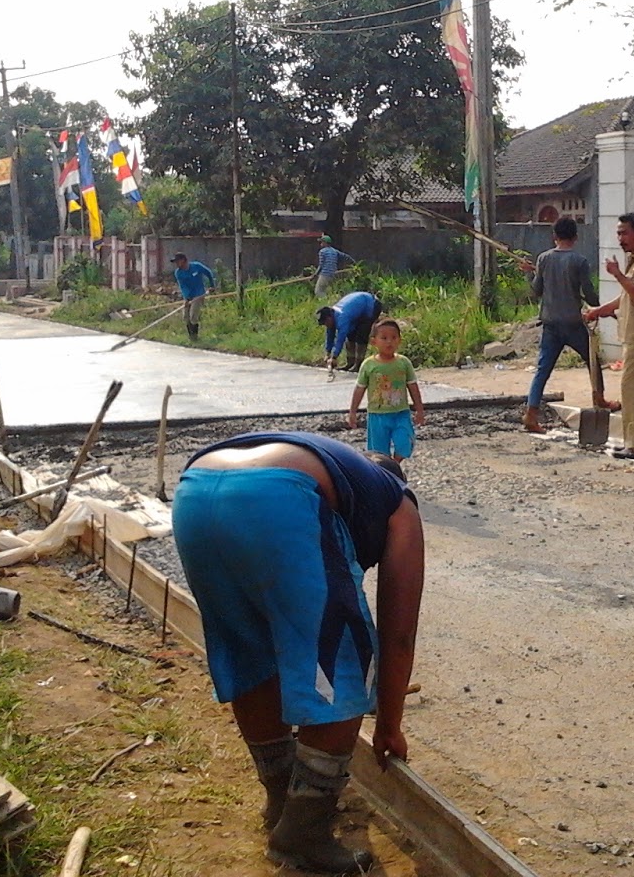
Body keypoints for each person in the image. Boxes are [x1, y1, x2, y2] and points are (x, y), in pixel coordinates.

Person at [171, 431, 424, 874]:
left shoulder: (336, 466)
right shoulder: (398, 503)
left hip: (195, 489)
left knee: (249, 651)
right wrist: (389, 725)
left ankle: (281, 801)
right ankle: (303, 834)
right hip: (278, 496)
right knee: (343, 661)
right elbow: (399, 633)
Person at [585, 213, 634, 460]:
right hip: (630, 331)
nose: (621, 238)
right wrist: (600, 310)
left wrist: (617, 274)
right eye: (619, 233)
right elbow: (626, 297)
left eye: (625, 233)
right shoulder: (633, 259)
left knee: (631, 387)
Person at [517, 216, 601, 433]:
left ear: (554, 236)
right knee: (593, 362)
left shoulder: (543, 259)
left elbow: (537, 291)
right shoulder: (579, 261)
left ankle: (531, 414)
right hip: (573, 322)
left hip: (550, 323)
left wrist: (530, 274)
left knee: (542, 370)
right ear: (575, 237)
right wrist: (600, 307)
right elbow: (589, 293)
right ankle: (600, 400)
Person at [347, 319, 425, 460]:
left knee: (405, 442)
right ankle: (386, 474)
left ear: (399, 340)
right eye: (384, 338)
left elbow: (413, 386)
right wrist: (353, 412)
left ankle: (395, 464)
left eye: (393, 338)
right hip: (377, 415)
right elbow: (359, 389)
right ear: (374, 341)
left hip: (400, 413)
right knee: (378, 453)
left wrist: (419, 410)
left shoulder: (404, 363)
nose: (389, 342)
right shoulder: (369, 365)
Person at [318, 290, 382, 374]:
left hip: (371, 305)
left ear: (330, 317)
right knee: (351, 335)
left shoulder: (342, 317)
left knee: (361, 335)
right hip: (358, 310)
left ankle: (359, 364)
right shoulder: (332, 318)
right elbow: (330, 335)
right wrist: (328, 353)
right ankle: (350, 362)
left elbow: (341, 338)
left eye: (325, 322)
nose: (325, 325)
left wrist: (334, 357)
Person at [170, 252, 216, 342]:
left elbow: (208, 273)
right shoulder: (178, 273)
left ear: (183, 260)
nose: (176, 264)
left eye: (177, 261)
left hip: (199, 294)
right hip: (188, 296)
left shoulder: (196, 266)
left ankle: (194, 337)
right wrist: (187, 298)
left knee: (193, 316)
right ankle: (190, 336)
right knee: (186, 316)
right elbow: (183, 287)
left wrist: (212, 285)